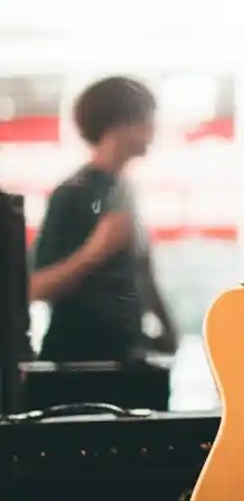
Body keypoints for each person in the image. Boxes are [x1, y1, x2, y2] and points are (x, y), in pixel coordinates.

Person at [30, 76, 176, 362]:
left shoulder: (126, 189)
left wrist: (168, 329)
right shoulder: (72, 194)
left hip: (128, 357)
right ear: (119, 124)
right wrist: (94, 252)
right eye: (146, 121)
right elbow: (36, 287)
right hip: (79, 365)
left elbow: (142, 273)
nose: (152, 132)